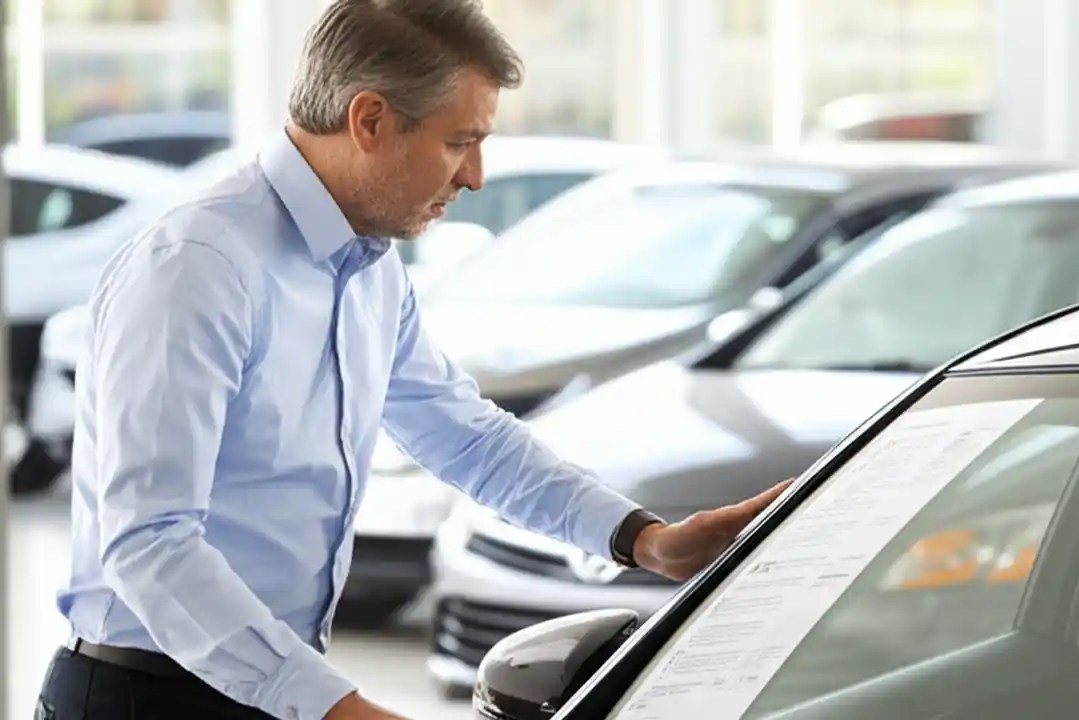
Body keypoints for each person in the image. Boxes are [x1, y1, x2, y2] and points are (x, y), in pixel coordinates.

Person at [35, 1, 792, 719]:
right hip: (144, 698)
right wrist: (335, 706)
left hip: (271, 692)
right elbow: (149, 541)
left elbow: (465, 435)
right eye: (461, 141)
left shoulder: (368, 268)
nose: (475, 177)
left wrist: (641, 539)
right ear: (370, 119)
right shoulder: (199, 267)